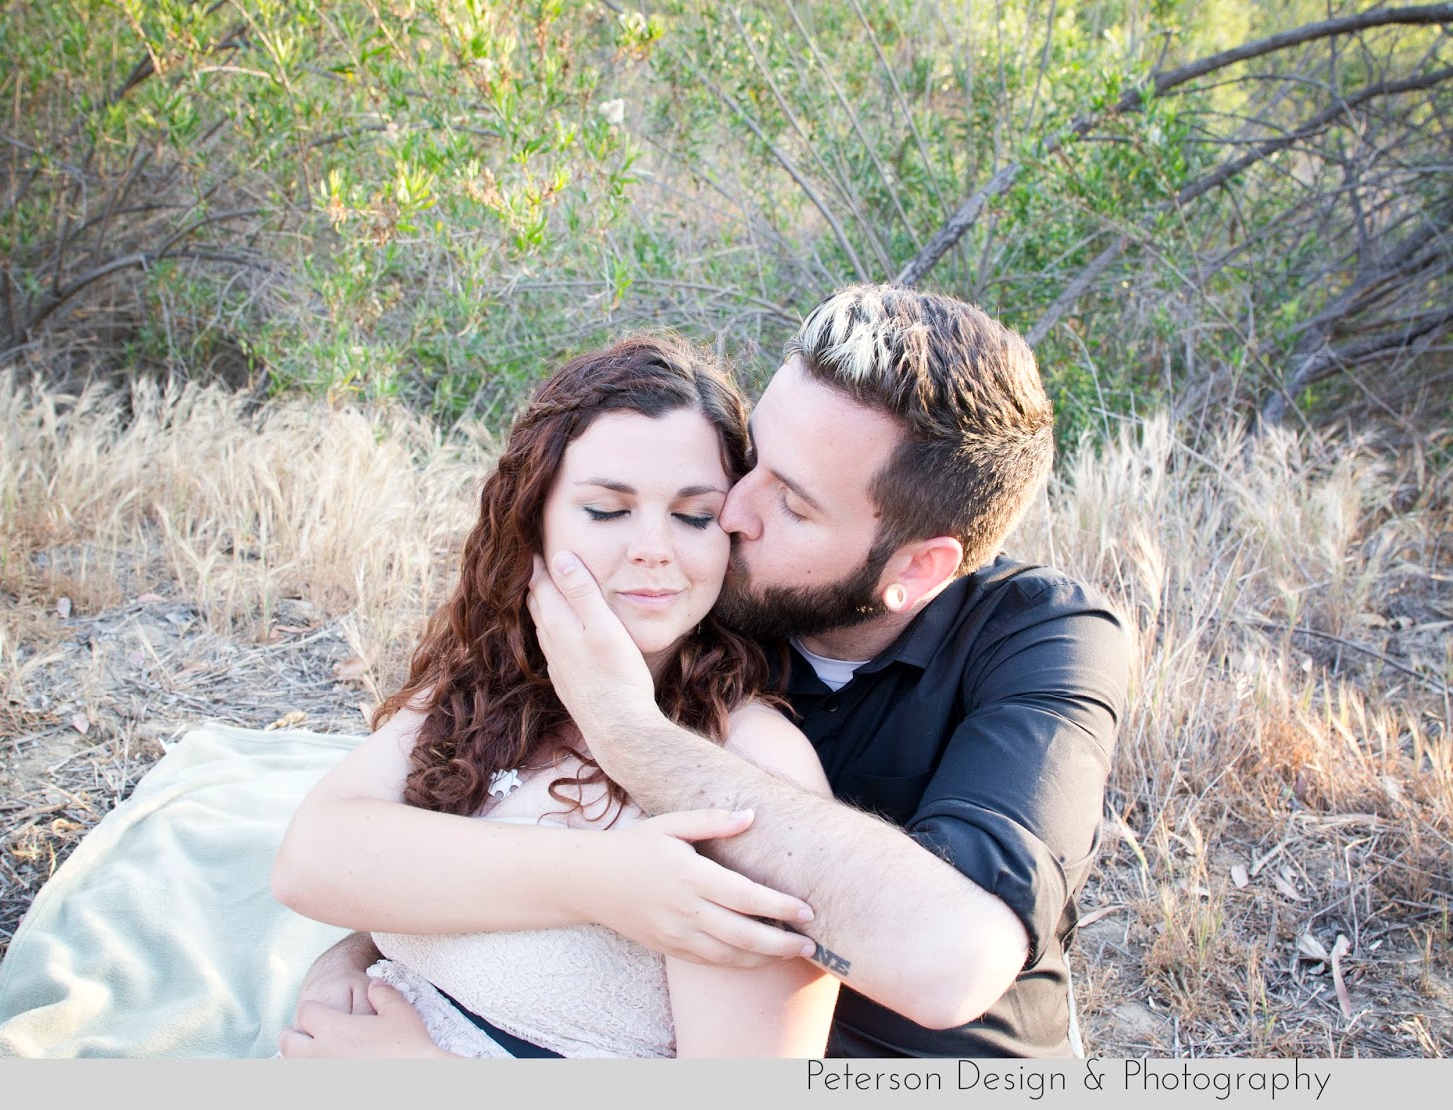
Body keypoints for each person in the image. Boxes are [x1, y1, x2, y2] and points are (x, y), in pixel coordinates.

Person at [286, 284, 1131, 1058]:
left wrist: (623, 725)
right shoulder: (710, 599)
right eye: (750, 458)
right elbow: (383, 838)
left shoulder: (1039, 640)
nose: (730, 509)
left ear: (915, 567)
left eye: (791, 502)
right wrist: (369, 948)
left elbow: (947, 962)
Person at [271, 336, 841, 1058]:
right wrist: (350, 957)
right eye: (606, 510)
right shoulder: (491, 687)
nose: (654, 548)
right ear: (533, 519)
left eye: (694, 516)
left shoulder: (749, 765)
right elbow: (311, 859)